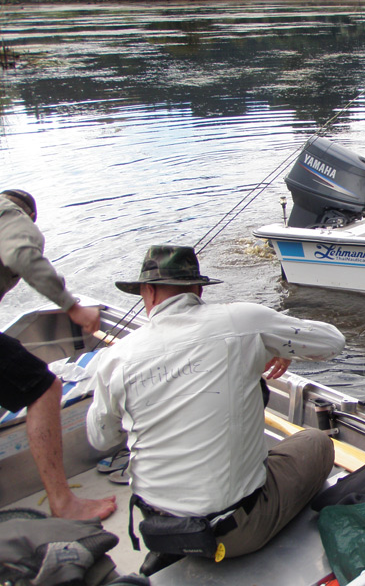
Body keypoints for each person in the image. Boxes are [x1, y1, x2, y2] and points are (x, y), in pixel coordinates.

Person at [85, 245, 345, 560]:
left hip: (157, 527)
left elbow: (101, 438)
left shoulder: (114, 358)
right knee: (317, 442)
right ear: (198, 289)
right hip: (233, 533)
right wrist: (282, 347)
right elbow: (332, 342)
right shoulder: (243, 321)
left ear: (148, 291)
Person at [0, 189, 117, 521]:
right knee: (43, 387)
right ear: (30, 217)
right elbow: (22, 255)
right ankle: (64, 504)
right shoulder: (11, 216)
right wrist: (72, 307)